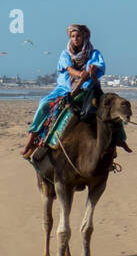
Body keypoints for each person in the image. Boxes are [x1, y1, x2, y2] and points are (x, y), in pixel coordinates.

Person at [22, 24, 105, 158]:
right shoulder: (65, 53)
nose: (76, 39)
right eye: (73, 36)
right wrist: (80, 75)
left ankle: (119, 140)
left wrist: (91, 73)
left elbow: (96, 69)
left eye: (78, 36)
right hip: (64, 89)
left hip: (87, 89)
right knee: (43, 104)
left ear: (84, 37)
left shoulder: (94, 53)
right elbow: (68, 69)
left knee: (108, 109)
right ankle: (32, 139)